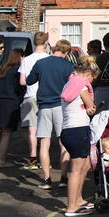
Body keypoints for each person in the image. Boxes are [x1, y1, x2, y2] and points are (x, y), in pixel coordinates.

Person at [26, 39, 74, 188]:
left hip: (44, 106)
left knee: (44, 143)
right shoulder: (68, 65)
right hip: (61, 106)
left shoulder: (41, 63)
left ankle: (47, 179)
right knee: (63, 143)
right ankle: (64, 178)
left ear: (54, 49)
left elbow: (29, 81)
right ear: (66, 52)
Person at [59, 56, 98, 216]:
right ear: (88, 73)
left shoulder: (69, 83)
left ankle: (78, 199)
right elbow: (91, 107)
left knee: (84, 167)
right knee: (76, 170)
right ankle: (72, 207)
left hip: (67, 130)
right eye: (92, 77)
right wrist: (91, 109)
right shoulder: (81, 86)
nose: (92, 81)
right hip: (79, 130)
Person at [19, 31, 49, 170]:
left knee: (32, 130)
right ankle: (45, 157)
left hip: (30, 96)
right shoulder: (49, 58)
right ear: (46, 43)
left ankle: (33, 158)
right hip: (46, 97)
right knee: (46, 131)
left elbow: (22, 82)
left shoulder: (26, 59)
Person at [0, 48, 25, 169]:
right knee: (6, 133)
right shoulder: (16, 72)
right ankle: (2, 161)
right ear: (19, 57)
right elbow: (20, 89)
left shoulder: (1, 70)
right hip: (10, 103)